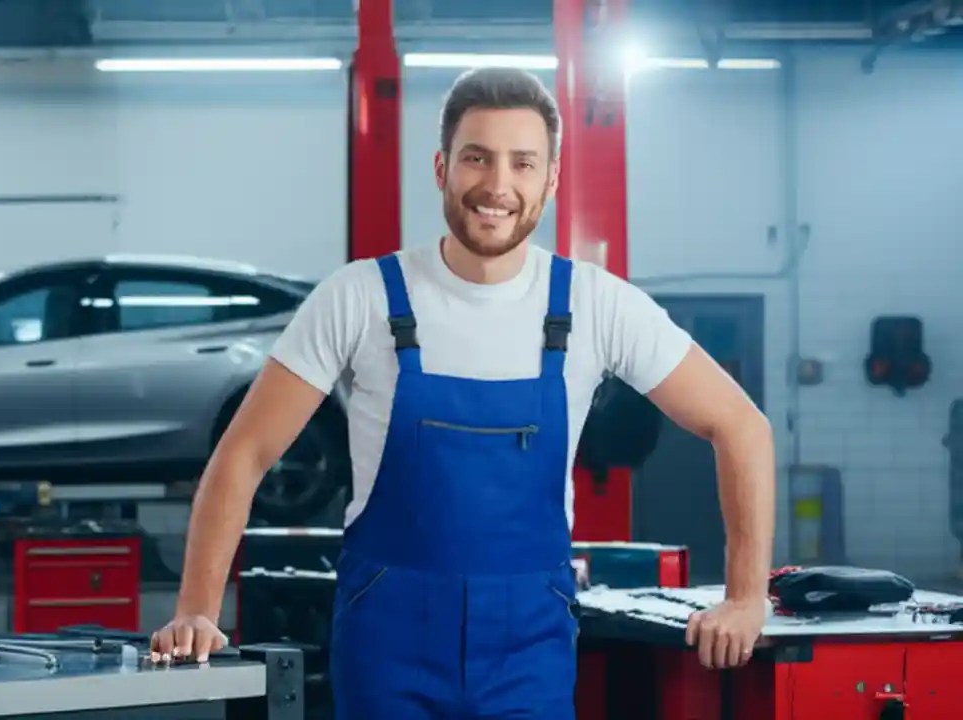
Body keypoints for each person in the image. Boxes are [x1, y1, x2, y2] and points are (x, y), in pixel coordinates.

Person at [150, 67, 775, 718]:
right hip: (387, 645)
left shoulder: (595, 305)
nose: (498, 186)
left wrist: (745, 596)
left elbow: (741, 426)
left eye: (522, 163)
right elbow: (243, 452)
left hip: (529, 650)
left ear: (551, 179)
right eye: (477, 158)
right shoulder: (360, 297)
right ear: (442, 167)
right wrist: (196, 609)